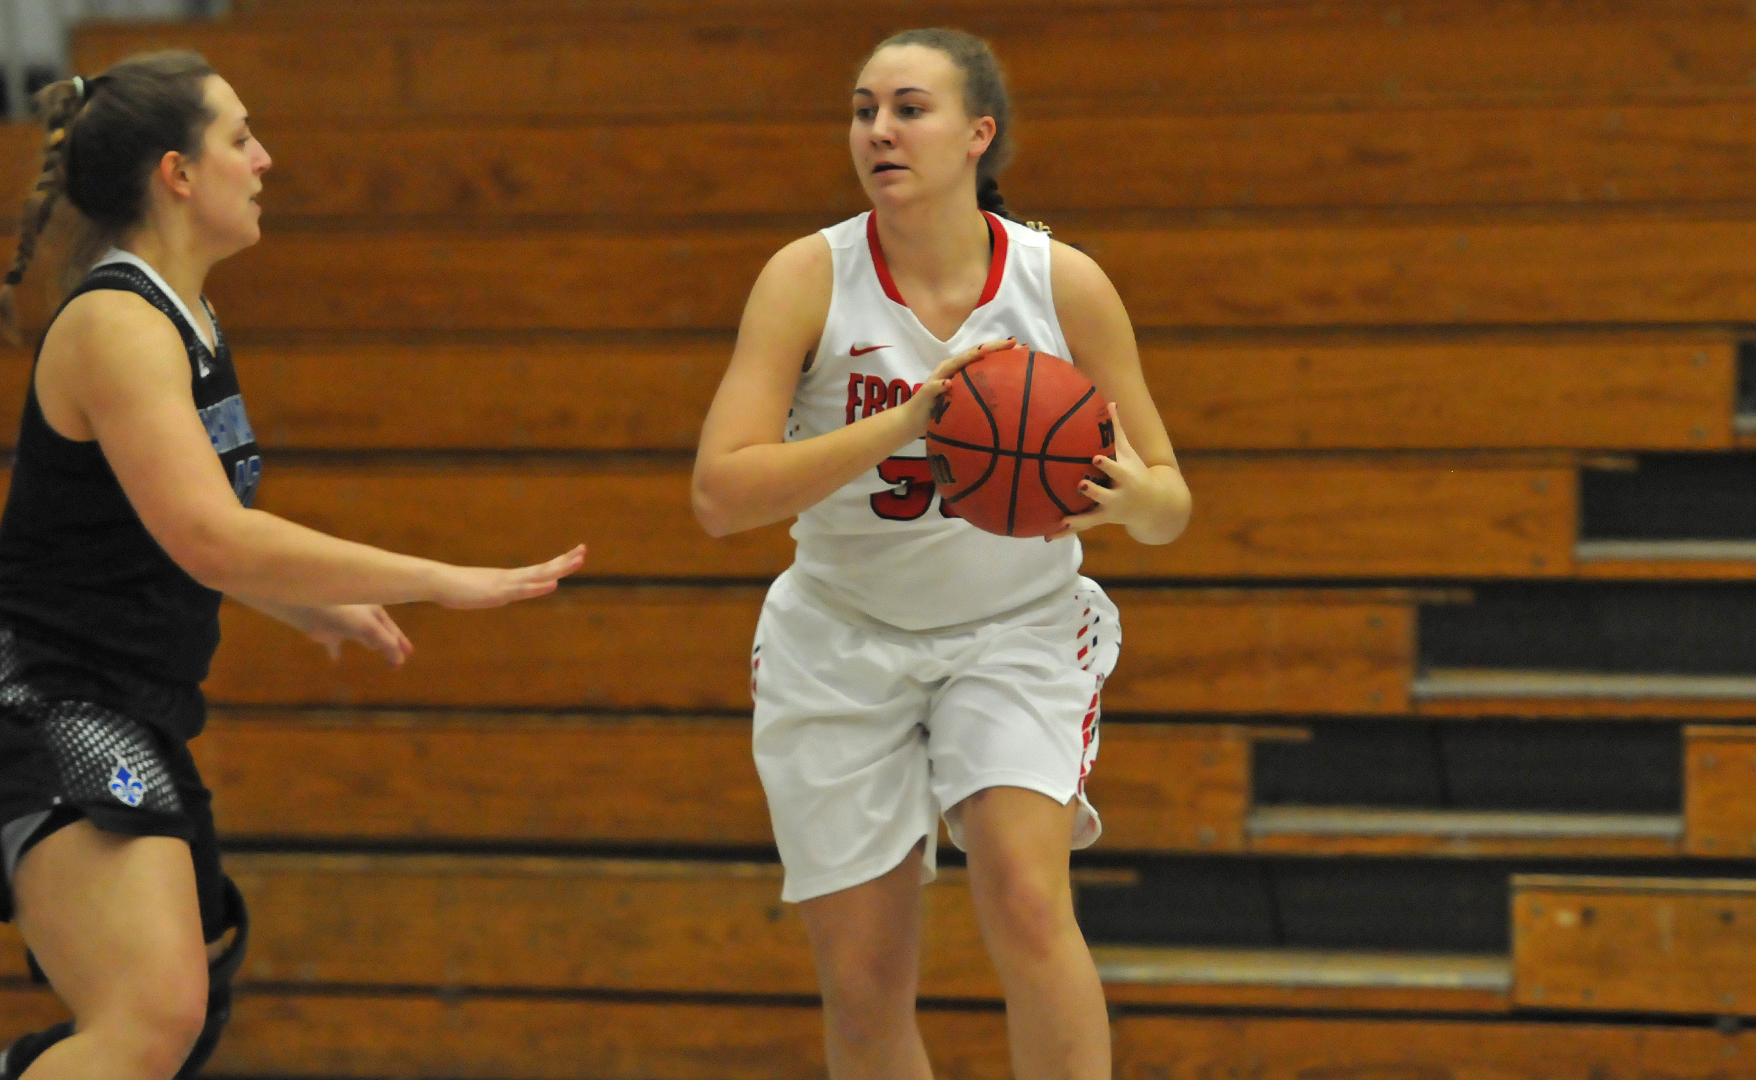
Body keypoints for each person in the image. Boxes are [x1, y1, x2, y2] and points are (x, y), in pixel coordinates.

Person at [0, 53, 585, 1079]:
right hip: (47, 695)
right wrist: (439, 576)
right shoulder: (117, 326)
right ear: (178, 173)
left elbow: (172, 527)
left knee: (170, 1016)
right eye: (241, 137)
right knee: (149, 1017)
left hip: (124, 692)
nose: (264, 159)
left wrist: (300, 601)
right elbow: (209, 535)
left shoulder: (185, 320)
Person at [692, 28, 1191, 1080]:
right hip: (840, 637)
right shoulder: (807, 279)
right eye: (863, 109)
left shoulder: (1064, 284)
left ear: (978, 135)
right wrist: (911, 419)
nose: (878, 130)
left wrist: (1133, 499)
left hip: (1014, 631)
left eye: (908, 108)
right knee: (866, 981)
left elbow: (1169, 506)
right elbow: (720, 494)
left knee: (1022, 891)